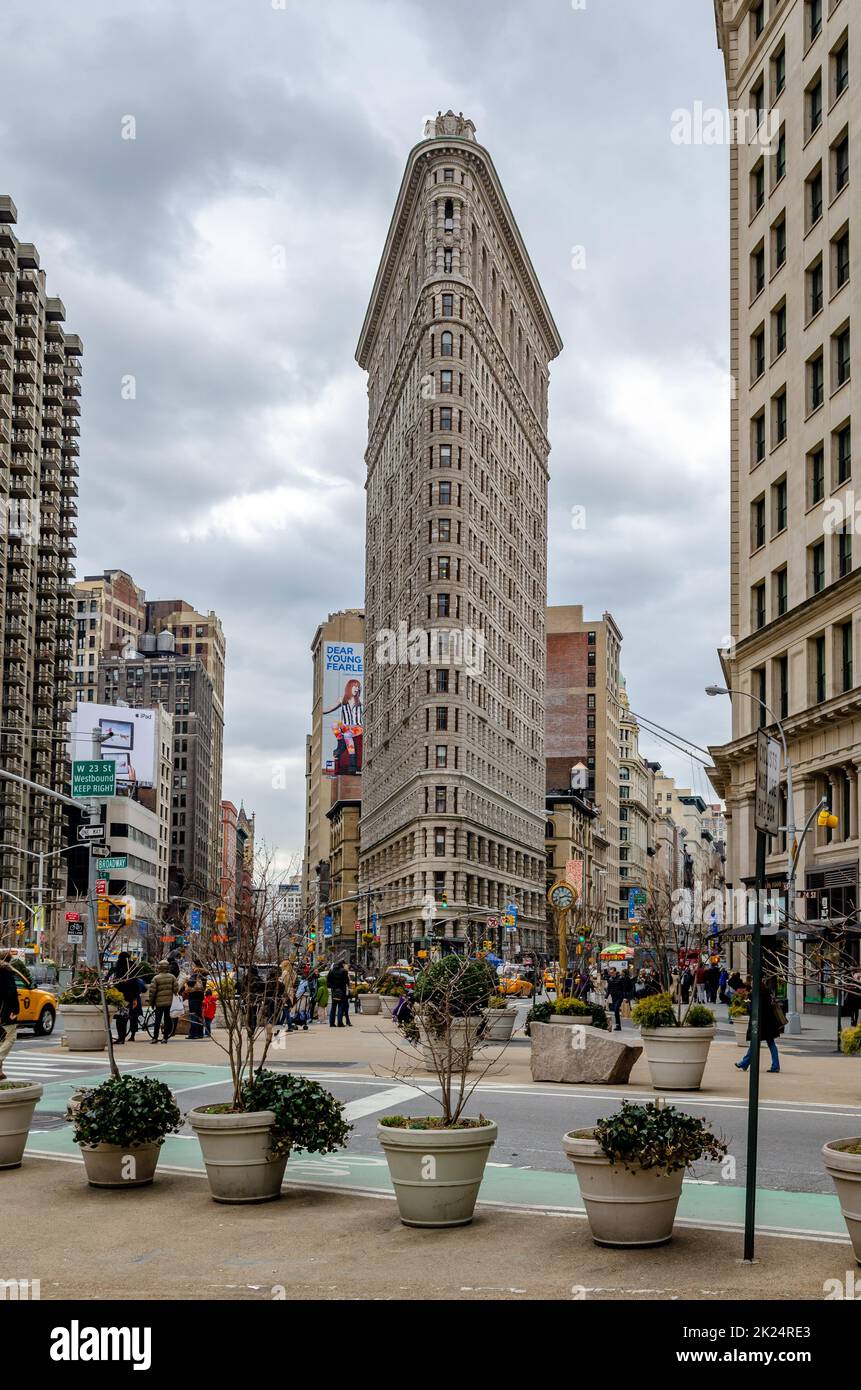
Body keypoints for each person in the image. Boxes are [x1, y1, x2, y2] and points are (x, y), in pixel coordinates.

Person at [736, 978, 783, 1074]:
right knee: (771, 1044)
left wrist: (747, 1001)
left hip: (759, 1023)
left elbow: (752, 1010)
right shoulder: (767, 992)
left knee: (755, 1043)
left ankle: (744, 1063)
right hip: (769, 1023)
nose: (752, 985)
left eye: (753, 984)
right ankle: (775, 1065)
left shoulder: (754, 995)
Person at [0, 950, 21, 1080]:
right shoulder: (6, 973)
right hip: (6, 1011)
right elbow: (11, 992)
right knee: (10, 1037)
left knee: (1, 1038)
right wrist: (14, 1010)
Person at [147, 959, 179, 1044]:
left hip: (159, 1002)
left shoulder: (156, 978)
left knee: (157, 1020)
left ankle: (155, 1037)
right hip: (169, 1002)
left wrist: (151, 1002)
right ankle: (165, 1037)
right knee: (167, 1020)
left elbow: (152, 992)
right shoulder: (172, 977)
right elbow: (176, 989)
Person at [184, 965, 207, 1039]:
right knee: (199, 1016)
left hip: (193, 999)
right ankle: (200, 1033)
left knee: (193, 1016)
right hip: (199, 999)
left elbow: (188, 987)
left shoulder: (194, 978)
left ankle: (193, 1034)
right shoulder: (202, 979)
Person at [328, 959, 351, 1028]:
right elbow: (347, 981)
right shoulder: (344, 971)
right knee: (340, 1007)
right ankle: (339, 1023)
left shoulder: (331, 971)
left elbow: (328, 981)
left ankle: (331, 1023)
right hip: (342, 991)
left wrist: (332, 986)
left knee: (333, 1007)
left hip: (334, 991)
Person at [605, 967, 627, 1032]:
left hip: (620, 996)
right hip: (613, 996)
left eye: (612, 972)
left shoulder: (621, 978)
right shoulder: (610, 979)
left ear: (615, 972)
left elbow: (624, 988)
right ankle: (618, 1025)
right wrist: (606, 997)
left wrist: (625, 997)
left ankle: (618, 1025)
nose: (611, 974)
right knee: (615, 1010)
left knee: (616, 1008)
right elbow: (609, 989)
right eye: (610, 973)